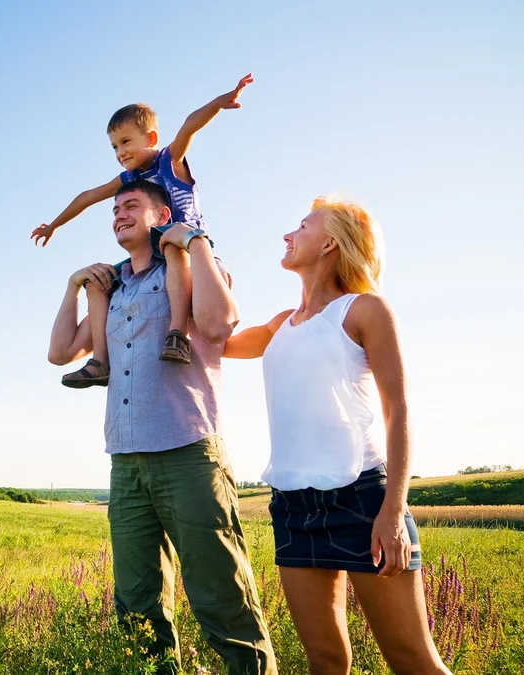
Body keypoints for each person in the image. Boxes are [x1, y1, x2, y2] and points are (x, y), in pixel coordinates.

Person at [47, 179, 276, 674]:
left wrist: (194, 241)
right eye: (113, 211)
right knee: (136, 605)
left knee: (221, 596)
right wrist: (72, 286)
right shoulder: (112, 291)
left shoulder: (190, 270)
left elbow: (219, 326)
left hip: (188, 452)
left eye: (130, 205)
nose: (117, 215)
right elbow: (60, 352)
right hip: (126, 461)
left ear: (160, 215)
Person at [223, 196, 452, 675]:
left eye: (302, 226)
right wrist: (196, 257)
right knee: (325, 660)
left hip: (363, 500)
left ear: (329, 242)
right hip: (292, 506)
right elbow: (211, 340)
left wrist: (392, 509)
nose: (288, 235)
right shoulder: (278, 325)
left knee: (413, 661)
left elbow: (399, 410)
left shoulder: (364, 311)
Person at [33, 73, 255, 388]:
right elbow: (88, 196)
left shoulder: (169, 160)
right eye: (114, 147)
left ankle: (177, 332)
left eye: (125, 142)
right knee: (100, 281)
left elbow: (189, 125)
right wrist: (55, 224)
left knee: (170, 245)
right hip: (152, 253)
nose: (120, 152)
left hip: (185, 244)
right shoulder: (128, 179)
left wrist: (220, 102)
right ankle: (101, 361)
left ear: (150, 139)